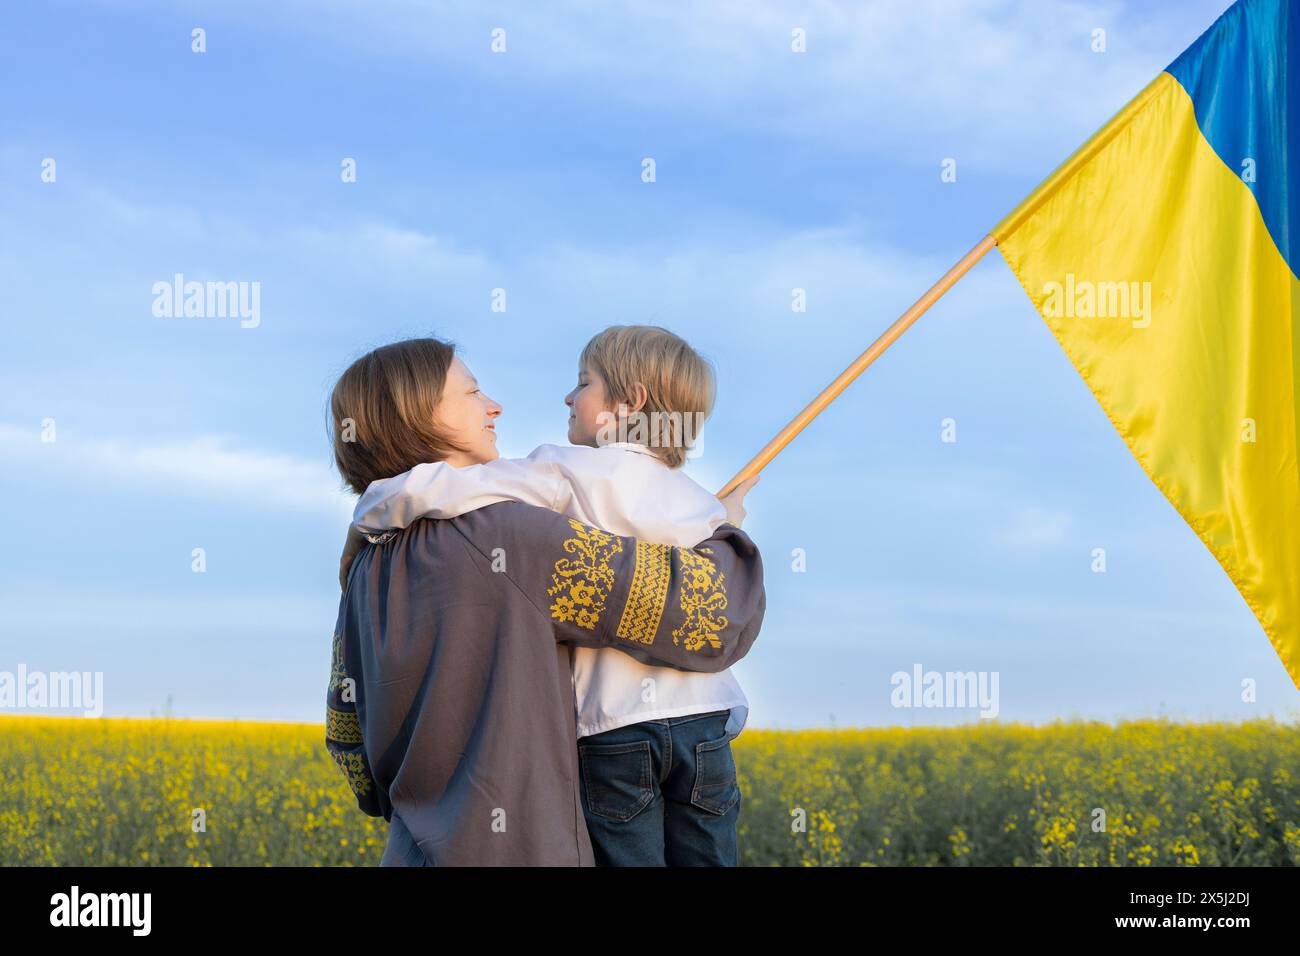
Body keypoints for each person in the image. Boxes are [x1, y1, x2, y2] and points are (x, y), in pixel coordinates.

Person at [325, 336, 764, 865]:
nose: (494, 406)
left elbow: (349, 745)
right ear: (416, 415)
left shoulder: (364, 572)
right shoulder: (511, 537)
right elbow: (707, 614)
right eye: (472, 392)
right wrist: (720, 531)